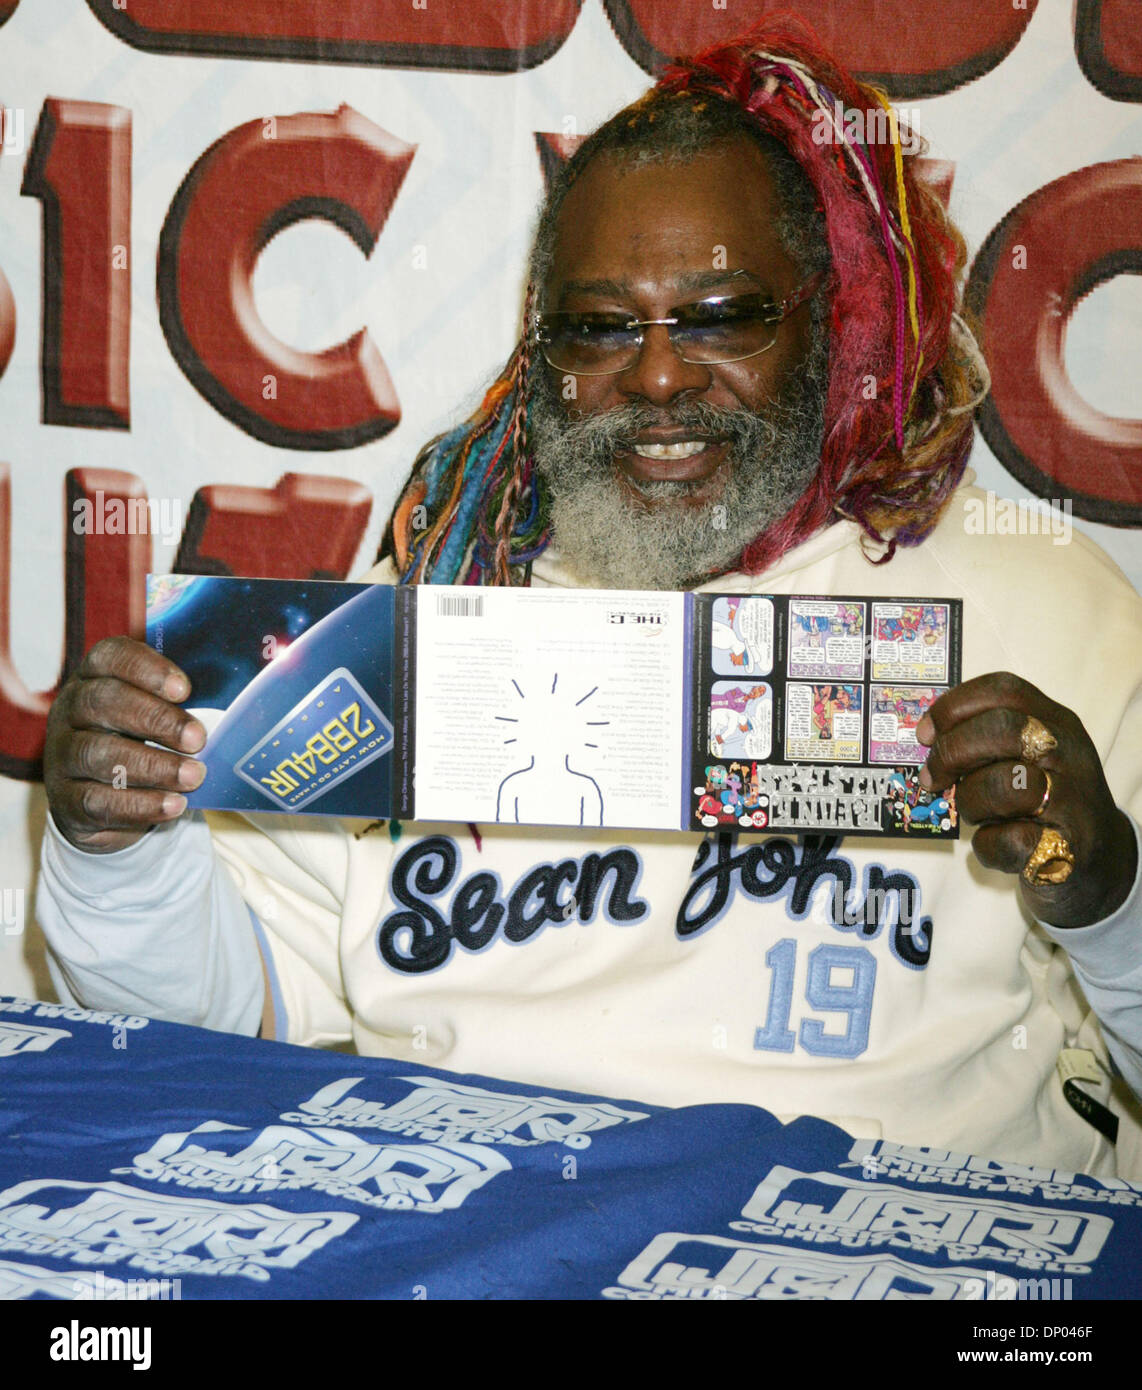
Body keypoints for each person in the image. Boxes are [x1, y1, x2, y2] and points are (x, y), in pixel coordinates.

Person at [36, 22, 1142, 1178]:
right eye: (599, 328)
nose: (656, 376)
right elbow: (216, 1017)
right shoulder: (424, 617)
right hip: (466, 1232)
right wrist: (114, 847)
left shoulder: (1041, 616)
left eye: (719, 316)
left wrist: (1108, 893)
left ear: (837, 316)